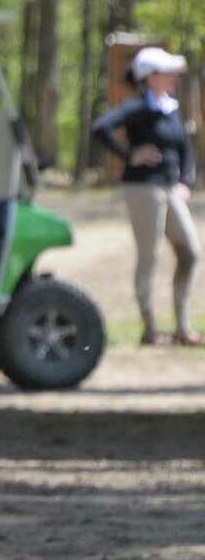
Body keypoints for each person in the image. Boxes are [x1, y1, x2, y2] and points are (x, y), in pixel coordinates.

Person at [91, 47, 197, 345]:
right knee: (149, 257)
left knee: (190, 252)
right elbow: (99, 128)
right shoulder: (136, 107)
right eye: (167, 72)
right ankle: (150, 328)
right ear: (151, 77)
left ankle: (182, 326)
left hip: (170, 187)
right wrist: (130, 154)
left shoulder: (171, 108)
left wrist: (185, 181)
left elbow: (184, 148)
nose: (174, 77)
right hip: (142, 188)